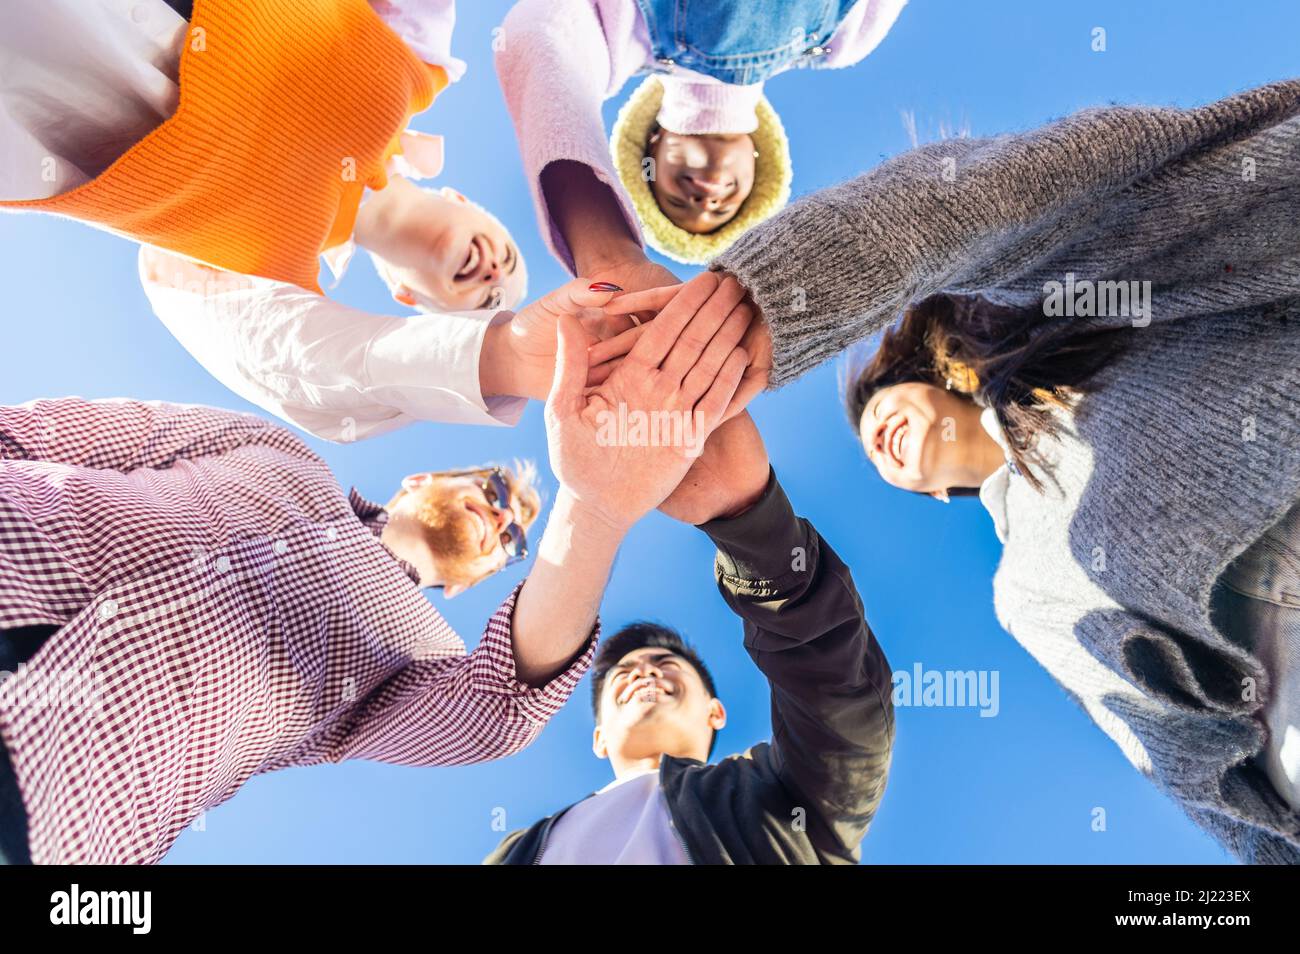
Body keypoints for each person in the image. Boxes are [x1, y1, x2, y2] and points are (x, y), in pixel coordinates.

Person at [601, 78, 1300, 862]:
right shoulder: (1028, 592)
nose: (880, 440)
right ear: (932, 493)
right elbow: (1191, 757)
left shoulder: (1074, 312)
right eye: (873, 457)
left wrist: (755, 311)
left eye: (879, 410)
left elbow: (1029, 194)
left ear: (932, 376)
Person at [0, 269, 751, 865]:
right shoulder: (282, 453)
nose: (499, 517)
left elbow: (495, 707)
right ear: (417, 479)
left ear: (469, 583)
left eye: (512, 535)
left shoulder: (421, 658)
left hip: (52, 806)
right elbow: (41, 433)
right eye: (493, 491)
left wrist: (592, 506)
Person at [0, 0, 613, 442]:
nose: (493, 277)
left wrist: (502, 356)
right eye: (508, 257)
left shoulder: (248, 276)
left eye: (488, 302)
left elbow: (290, 363)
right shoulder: (418, 62)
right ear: (463, 199)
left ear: (410, 297)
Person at [485, 412, 895, 864]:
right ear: (598, 738)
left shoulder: (780, 799)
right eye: (623, 672)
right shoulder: (516, 851)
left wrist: (751, 522)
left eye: (665, 665)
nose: (643, 671)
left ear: (714, 712)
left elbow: (837, 698)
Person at [494, 0, 907, 279]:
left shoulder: (621, 37)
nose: (706, 203)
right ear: (758, 169)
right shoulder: (845, 40)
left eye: (678, 202)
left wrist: (607, 259)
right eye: (724, 209)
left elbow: (537, 37)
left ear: (651, 147)